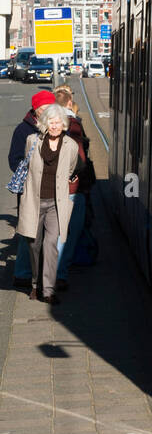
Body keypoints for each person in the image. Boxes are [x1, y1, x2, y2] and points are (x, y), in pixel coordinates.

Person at [16, 102, 79, 305]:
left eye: (58, 122)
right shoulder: (31, 140)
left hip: (56, 204)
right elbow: (27, 165)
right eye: (51, 122)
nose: (55, 126)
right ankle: (35, 284)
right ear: (44, 123)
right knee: (34, 244)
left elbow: (70, 170)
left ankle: (48, 290)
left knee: (51, 244)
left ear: (64, 124)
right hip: (34, 201)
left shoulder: (71, 146)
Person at [10, 90, 57, 288]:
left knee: (50, 236)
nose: (49, 113)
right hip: (30, 191)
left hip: (52, 191)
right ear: (36, 110)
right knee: (28, 234)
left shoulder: (57, 128)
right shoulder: (23, 130)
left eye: (51, 109)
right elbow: (14, 160)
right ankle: (22, 273)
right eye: (45, 109)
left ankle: (44, 277)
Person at [53, 86, 95, 289]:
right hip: (72, 189)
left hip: (53, 189)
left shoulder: (45, 125)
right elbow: (81, 161)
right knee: (69, 232)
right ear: (69, 103)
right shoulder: (74, 126)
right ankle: (58, 273)